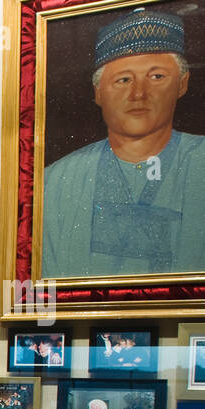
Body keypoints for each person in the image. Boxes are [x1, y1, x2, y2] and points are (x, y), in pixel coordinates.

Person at [42, 8, 205, 277]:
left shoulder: (198, 163)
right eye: (123, 80)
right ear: (98, 92)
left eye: (156, 77)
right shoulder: (57, 181)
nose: (138, 93)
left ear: (182, 83)